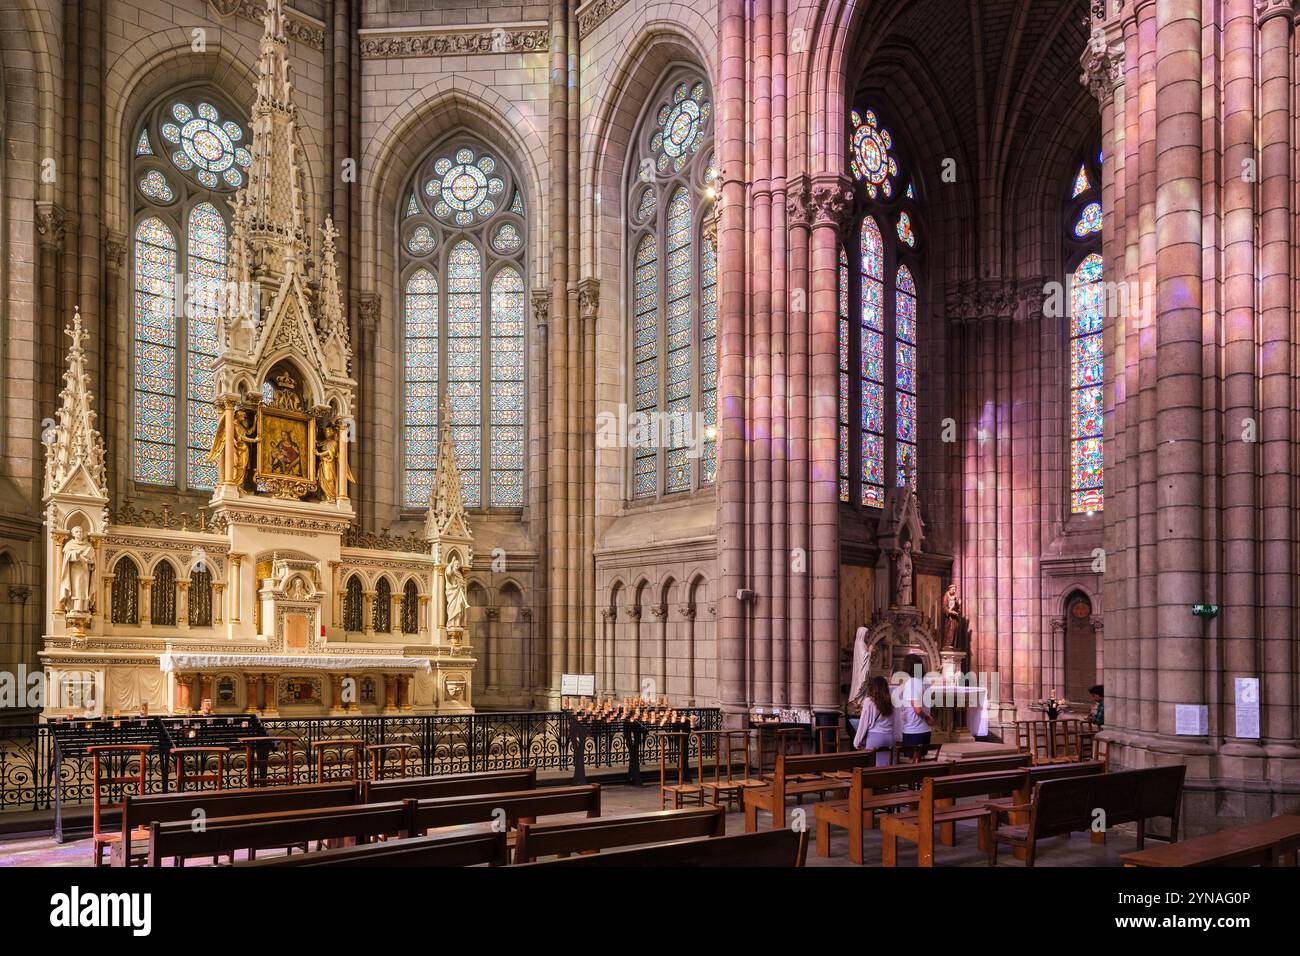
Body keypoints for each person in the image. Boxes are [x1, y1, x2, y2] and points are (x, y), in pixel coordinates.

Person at [853, 675, 901, 766]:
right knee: (888, 768)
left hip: (875, 739)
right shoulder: (892, 702)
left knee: (873, 769)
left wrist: (857, 741)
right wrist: (898, 738)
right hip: (889, 738)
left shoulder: (869, 702)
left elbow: (863, 724)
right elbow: (897, 722)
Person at [896, 653, 934, 749]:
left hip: (914, 730)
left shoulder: (912, 683)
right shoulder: (925, 683)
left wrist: (927, 718)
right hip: (925, 730)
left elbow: (917, 709)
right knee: (921, 761)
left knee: (912, 762)